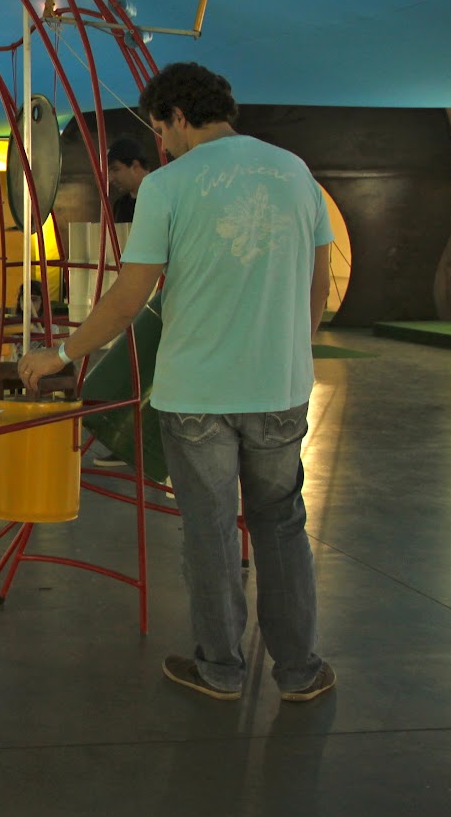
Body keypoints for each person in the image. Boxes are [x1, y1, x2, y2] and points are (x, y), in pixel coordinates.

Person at [19, 63, 335, 704]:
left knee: (211, 530)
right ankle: (299, 671)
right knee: (280, 525)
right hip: (280, 389)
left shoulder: (169, 186)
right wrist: (288, 354)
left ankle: (220, 667)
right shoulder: (295, 172)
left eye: (161, 128)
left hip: (196, 396)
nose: (162, 142)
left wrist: (63, 353)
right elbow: (318, 282)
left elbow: (129, 297)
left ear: (177, 117)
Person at [106, 136, 153, 224]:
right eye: (108, 172)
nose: (110, 178)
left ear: (135, 166)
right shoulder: (120, 206)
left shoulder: (162, 199)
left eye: (115, 169)